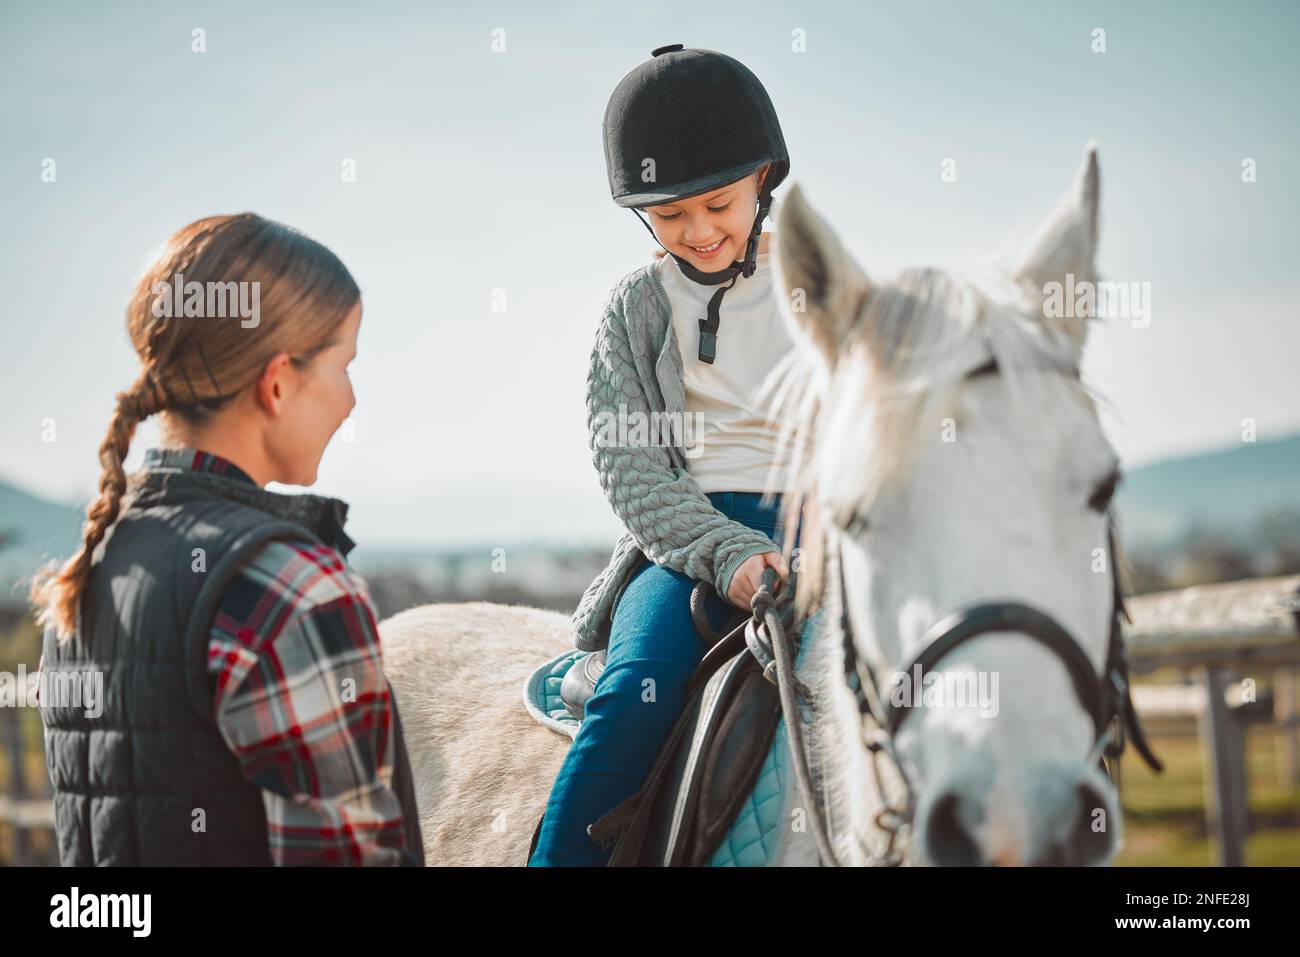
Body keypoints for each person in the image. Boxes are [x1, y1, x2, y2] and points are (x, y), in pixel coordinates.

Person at [31, 214, 424, 866]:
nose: (351, 399)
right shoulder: (290, 585)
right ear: (277, 382)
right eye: (343, 365)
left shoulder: (93, 563)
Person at [529, 45, 802, 866]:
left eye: (717, 203)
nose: (699, 232)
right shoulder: (637, 309)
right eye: (670, 215)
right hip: (689, 542)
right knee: (632, 701)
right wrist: (731, 556)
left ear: (765, 177)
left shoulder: (821, 284)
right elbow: (635, 478)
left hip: (831, 528)